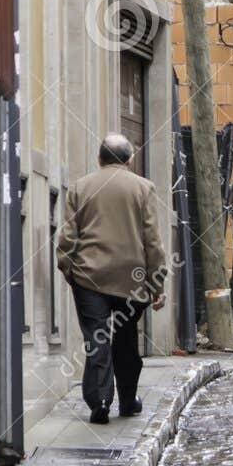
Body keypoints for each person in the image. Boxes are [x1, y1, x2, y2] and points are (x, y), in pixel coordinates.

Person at [56, 134, 168, 425]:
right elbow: (152, 241)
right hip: (132, 280)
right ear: (129, 160)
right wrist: (157, 284)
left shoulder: (81, 187)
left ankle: (100, 400)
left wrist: (67, 267)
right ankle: (128, 401)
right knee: (126, 340)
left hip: (89, 277)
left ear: (99, 159)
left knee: (97, 338)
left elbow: (68, 236)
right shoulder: (143, 188)